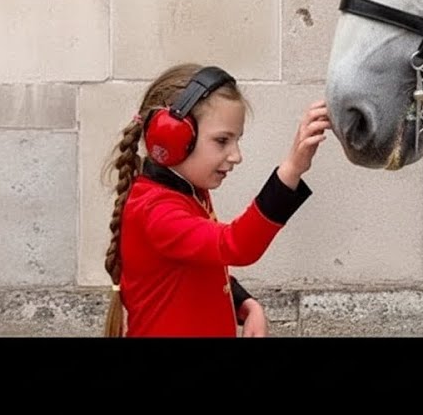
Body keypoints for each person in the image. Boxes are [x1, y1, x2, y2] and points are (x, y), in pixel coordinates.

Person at [102, 63, 331, 337]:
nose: (236, 155)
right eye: (222, 141)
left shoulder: (189, 192)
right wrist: (291, 170)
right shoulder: (156, 211)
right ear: (171, 137)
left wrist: (245, 304)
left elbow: (200, 267)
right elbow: (234, 245)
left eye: (236, 141)